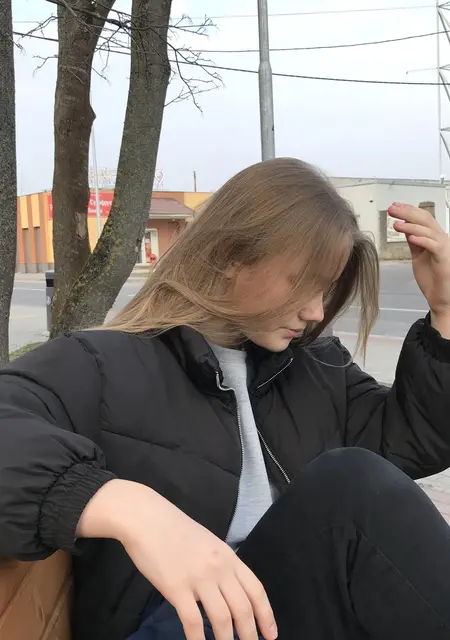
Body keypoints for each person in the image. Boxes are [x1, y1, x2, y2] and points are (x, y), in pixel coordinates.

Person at [1, 158, 450, 640]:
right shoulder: (105, 362)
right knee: (350, 487)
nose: (316, 311)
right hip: (183, 621)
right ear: (231, 256)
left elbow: (407, 441)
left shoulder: (314, 365)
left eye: (325, 289)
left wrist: (444, 311)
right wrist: (129, 509)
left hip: (281, 610)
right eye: (303, 283)